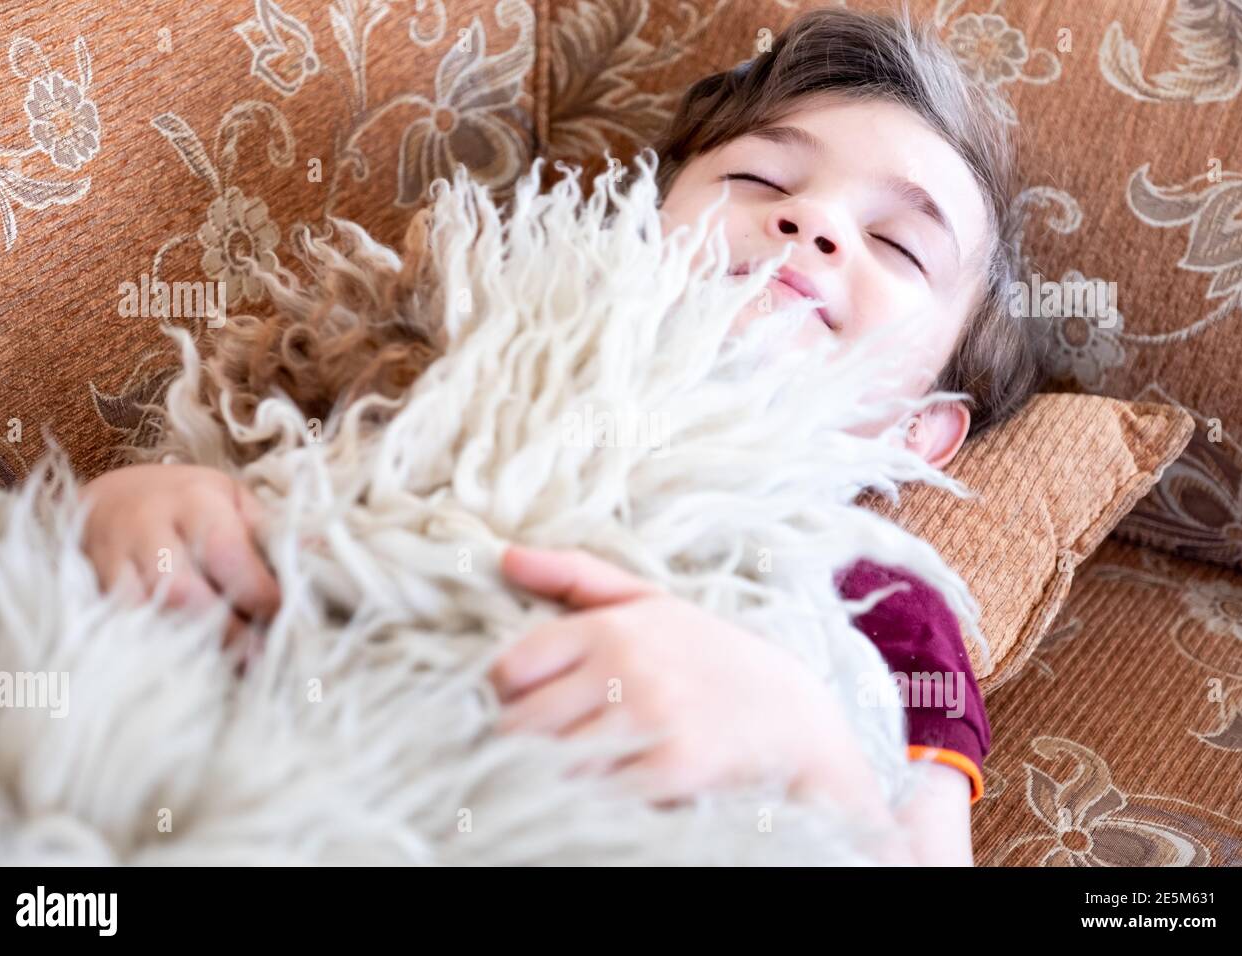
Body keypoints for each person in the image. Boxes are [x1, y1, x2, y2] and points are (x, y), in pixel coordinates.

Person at [78, 7, 1043, 864]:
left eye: (900, 244)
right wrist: (130, 507)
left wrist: (798, 738)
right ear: (633, 228)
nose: (813, 220)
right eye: (759, 176)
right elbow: (257, 460)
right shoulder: (449, 355)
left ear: (921, 432)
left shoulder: (888, 603)